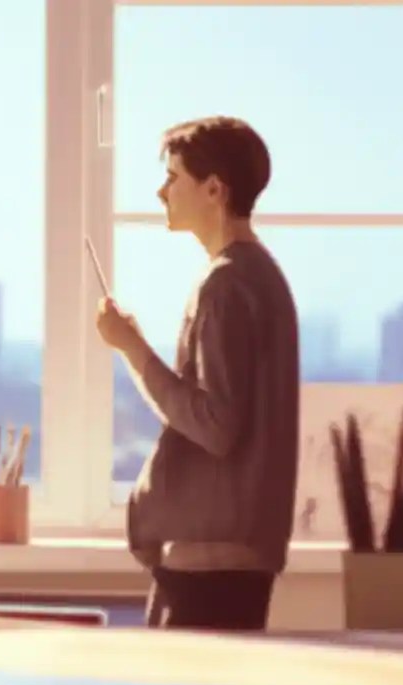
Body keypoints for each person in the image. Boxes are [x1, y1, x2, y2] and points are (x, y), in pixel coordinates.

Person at [95, 116, 300, 631]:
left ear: (214, 189)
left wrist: (131, 348)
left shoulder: (225, 284)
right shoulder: (259, 275)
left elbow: (215, 423)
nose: (161, 191)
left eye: (173, 177)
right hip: (231, 559)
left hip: (211, 568)